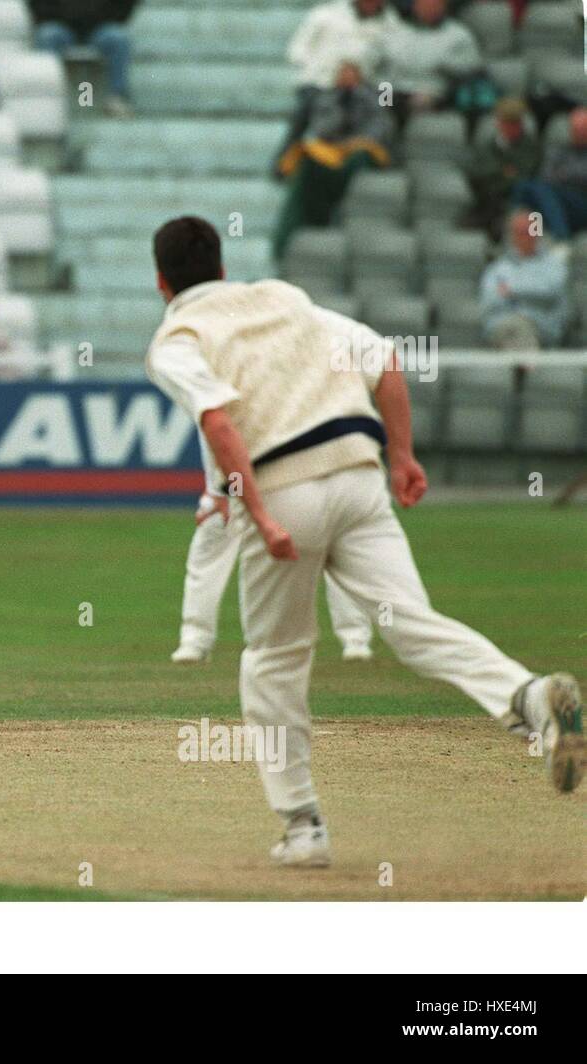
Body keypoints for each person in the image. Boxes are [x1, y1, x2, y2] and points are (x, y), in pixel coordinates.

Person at [147, 215, 583, 867]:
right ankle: (527, 696)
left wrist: (261, 517)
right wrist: (403, 457)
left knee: (274, 658)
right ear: (223, 267)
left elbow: (217, 420)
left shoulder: (177, 336)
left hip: (284, 485)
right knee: (412, 624)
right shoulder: (282, 298)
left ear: (161, 282)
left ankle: (303, 830)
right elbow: (385, 361)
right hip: (358, 473)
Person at [173, 454, 375, 665]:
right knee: (217, 537)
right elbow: (217, 433)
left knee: (334, 543)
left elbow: (218, 432)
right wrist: (220, 490)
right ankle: (195, 640)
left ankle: (355, 637)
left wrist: (219, 491)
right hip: (257, 475)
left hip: (282, 474)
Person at [272, 60, 395, 260]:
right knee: (306, 158)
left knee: (362, 159)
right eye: (342, 73)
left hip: (359, 148)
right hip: (330, 150)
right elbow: (320, 128)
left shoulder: (373, 97)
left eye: (351, 73)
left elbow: (380, 126)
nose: (346, 77)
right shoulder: (325, 98)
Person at [277, 0, 400, 171]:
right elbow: (297, 51)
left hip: (367, 85)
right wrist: (321, 71)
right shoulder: (326, 15)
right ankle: (284, 161)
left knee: (387, 105)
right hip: (320, 82)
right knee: (308, 108)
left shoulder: (392, 25)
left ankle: (383, 157)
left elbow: (390, 66)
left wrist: (383, 95)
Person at [28, 0, 139, 118]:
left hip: (100, 27)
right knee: (47, 35)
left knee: (118, 38)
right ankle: (48, 98)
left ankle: (117, 97)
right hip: (60, 26)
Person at [479, 209, 570, 351]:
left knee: (519, 329)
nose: (526, 237)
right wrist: (530, 297)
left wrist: (513, 291)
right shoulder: (497, 268)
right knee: (511, 328)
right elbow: (490, 301)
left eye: (530, 231)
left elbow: (551, 291)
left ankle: (520, 368)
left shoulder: (553, 264)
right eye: (520, 232)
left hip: (542, 328)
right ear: (511, 235)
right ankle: (525, 368)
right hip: (503, 328)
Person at [381, 0, 484, 121]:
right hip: (395, 85)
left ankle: (412, 136)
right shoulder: (398, 30)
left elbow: (473, 66)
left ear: (443, 7)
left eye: (434, 6)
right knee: (381, 100)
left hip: (430, 88)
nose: (429, 9)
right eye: (424, 5)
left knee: (419, 104)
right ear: (415, 7)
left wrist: (444, 63)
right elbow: (382, 59)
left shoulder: (458, 34)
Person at [461, 98, 542, 240]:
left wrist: (496, 176)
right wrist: (504, 173)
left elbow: (523, 178)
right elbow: (476, 176)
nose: (511, 127)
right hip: (486, 203)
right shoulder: (486, 147)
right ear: (499, 123)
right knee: (465, 230)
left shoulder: (531, 148)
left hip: (518, 203)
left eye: (515, 123)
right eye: (506, 122)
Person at [511, 107, 587, 241]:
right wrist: (571, 177)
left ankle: (559, 238)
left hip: (581, 205)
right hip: (556, 204)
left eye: (582, 129)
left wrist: (565, 175)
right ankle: (531, 239)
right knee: (525, 189)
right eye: (575, 129)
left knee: (537, 190)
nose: (579, 133)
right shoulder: (559, 150)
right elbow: (546, 176)